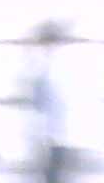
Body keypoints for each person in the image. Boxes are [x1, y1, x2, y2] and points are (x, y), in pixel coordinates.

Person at [27, 20, 72, 183]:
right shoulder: (45, 65)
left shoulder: (48, 65)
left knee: (54, 172)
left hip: (55, 132)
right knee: (53, 172)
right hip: (53, 132)